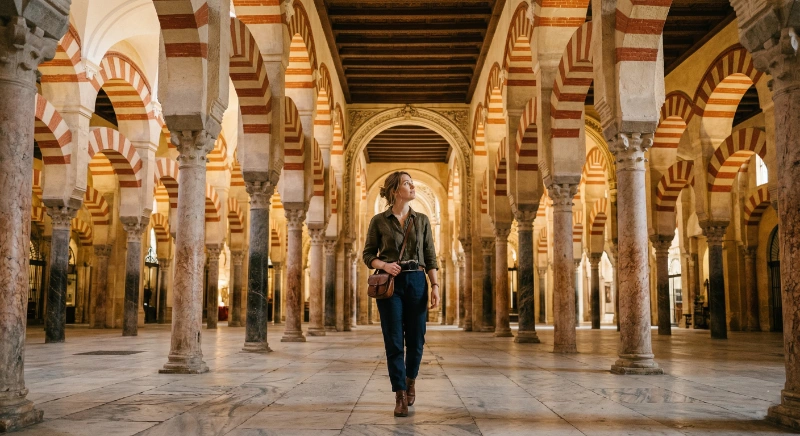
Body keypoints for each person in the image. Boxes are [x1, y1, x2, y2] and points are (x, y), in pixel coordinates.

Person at [362, 171, 440, 417]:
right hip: (390, 285)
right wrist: (384, 265)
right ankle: (399, 394)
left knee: (416, 339)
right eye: (407, 183)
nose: (412, 186)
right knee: (394, 340)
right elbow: (367, 255)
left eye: (411, 182)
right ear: (395, 190)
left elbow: (430, 256)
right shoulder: (379, 221)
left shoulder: (422, 220)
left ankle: (410, 381)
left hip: (417, 281)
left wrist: (435, 285)